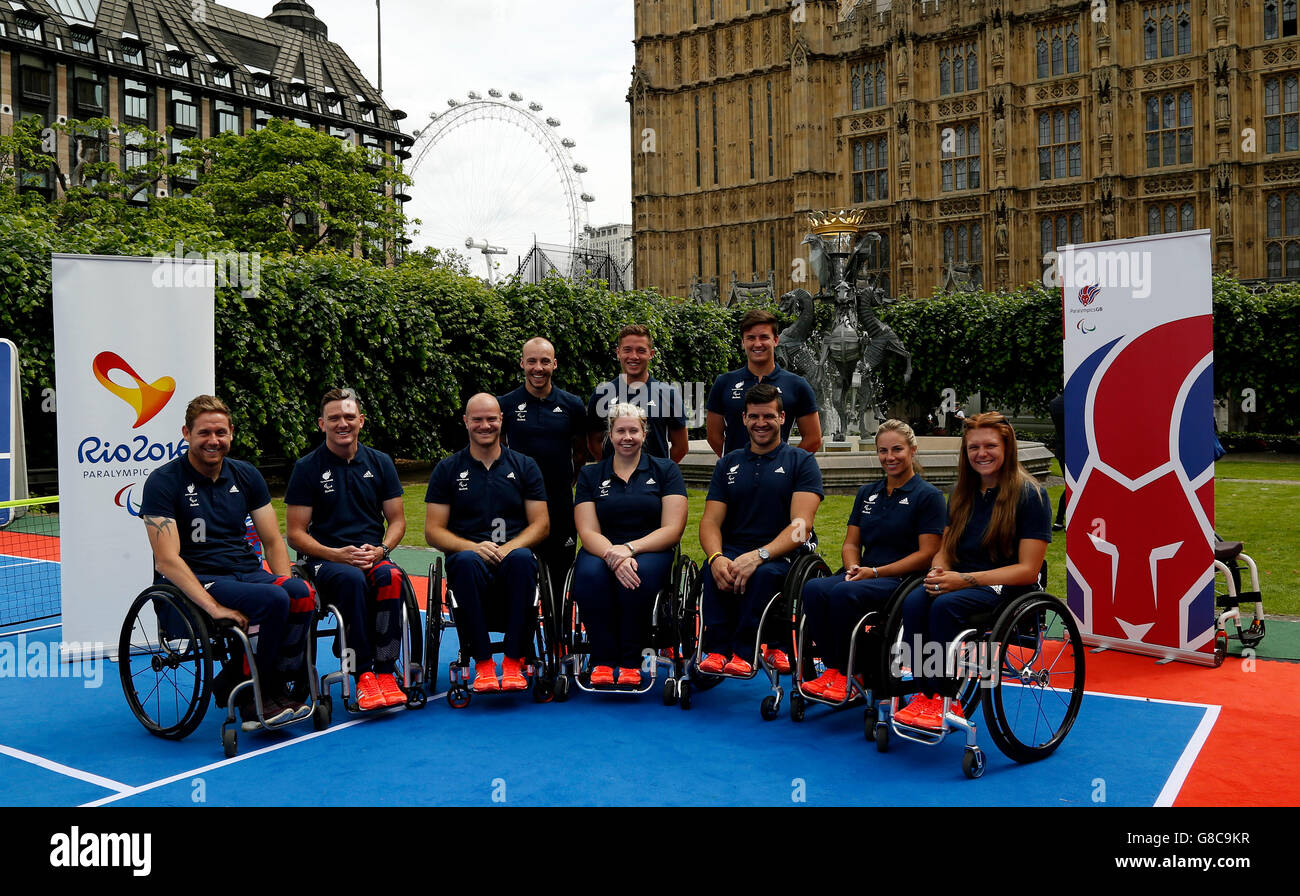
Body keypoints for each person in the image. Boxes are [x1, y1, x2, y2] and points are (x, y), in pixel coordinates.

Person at [140, 395, 314, 731]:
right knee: (275, 599)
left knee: (300, 593)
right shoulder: (163, 482)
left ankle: (265, 683)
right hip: (200, 579)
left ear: (231, 433)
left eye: (221, 432)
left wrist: (287, 586)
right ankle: (254, 696)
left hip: (246, 574)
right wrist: (214, 607)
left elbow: (273, 540)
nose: (213, 440)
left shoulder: (246, 475)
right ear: (186, 434)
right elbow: (167, 561)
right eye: (204, 433)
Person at [893, 412, 1052, 729]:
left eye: (990, 446)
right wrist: (939, 570)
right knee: (913, 602)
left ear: (1007, 448)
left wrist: (961, 580)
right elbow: (946, 549)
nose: (982, 454)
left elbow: (1028, 570)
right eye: (973, 447)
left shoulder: (1031, 495)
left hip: (1006, 586)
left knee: (946, 606)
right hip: (964, 581)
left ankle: (942, 694)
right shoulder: (963, 493)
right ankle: (927, 693)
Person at [799, 420, 945, 701]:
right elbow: (852, 542)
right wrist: (854, 565)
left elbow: (927, 554)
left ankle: (850, 671)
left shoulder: (929, 497)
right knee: (814, 590)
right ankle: (835, 668)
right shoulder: (868, 493)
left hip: (901, 579)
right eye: (883, 451)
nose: (890, 457)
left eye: (897, 449)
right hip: (865, 573)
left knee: (843, 593)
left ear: (913, 450)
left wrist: (875, 572)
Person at [285, 388, 407, 711]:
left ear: (361, 421)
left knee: (391, 577)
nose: (343, 423)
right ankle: (363, 674)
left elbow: (397, 522)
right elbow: (295, 535)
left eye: (349, 416)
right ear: (321, 424)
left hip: (372, 556)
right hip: (326, 561)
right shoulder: (307, 467)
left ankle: (385, 671)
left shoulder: (380, 463)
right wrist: (337, 554)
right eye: (335, 418)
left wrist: (381, 550)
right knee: (352, 580)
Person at [425, 393, 549, 693]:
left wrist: (509, 548)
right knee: (465, 562)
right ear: (466, 422)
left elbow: (541, 523)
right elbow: (433, 531)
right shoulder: (448, 469)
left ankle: (512, 661)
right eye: (477, 419)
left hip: (512, 557)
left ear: (501, 420)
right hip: (469, 560)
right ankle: (481, 663)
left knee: (521, 559)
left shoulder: (524, 465)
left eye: (491, 419)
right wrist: (471, 547)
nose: (485, 425)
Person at [698, 383, 823, 676]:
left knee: (764, 573)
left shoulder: (801, 462)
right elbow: (710, 521)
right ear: (743, 419)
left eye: (768, 416)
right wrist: (716, 557)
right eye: (754, 417)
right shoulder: (728, 463)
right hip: (734, 547)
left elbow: (801, 527)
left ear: (782, 418)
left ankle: (746, 650)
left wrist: (760, 555)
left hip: (782, 554)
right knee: (711, 567)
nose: (760, 423)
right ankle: (716, 649)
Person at [573, 403, 688, 686]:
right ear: (610, 435)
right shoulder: (590, 475)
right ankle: (602, 657)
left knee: (637, 575)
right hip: (602, 547)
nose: (627, 437)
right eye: (620, 430)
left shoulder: (666, 470)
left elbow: (672, 529)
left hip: (651, 547)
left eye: (633, 430)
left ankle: (630, 659)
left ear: (644, 432)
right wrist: (614, 554)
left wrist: (630, 549)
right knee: (589, 575)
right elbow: (587, 530)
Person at [498, 337, 588, 591]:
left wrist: (569, 478)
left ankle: (558, 630)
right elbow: (498, 448)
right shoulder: (506, 404)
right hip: (518, 503)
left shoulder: (572, 404)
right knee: (521, 572)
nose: (538, 367)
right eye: (532, 361)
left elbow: (581, 451)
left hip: (560, 503)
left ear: (555, 364)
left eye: (545, 361)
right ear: (522, 363)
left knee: (561, 575)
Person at [706, 308, 822, 457]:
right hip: (736, 477)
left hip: (779, 478)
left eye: (764, 337)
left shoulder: (797, 385)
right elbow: (713, 437)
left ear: (775, 340)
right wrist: (736, 463)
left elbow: (813, 439)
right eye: (751, 338)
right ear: (742, 342)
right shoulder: (724, 383)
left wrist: (785, 465)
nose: (758, 344)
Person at [586, 324, 688, 463]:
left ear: (651, 354)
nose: (633, 356)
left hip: (654, 482)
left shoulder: (668, 394)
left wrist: (660, 471)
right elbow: (594, 443)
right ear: (618, 352)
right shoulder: (601, 394)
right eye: (627, 350)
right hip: (614, 481)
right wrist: (609, 467)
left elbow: (681, 447)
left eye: (641, 350)